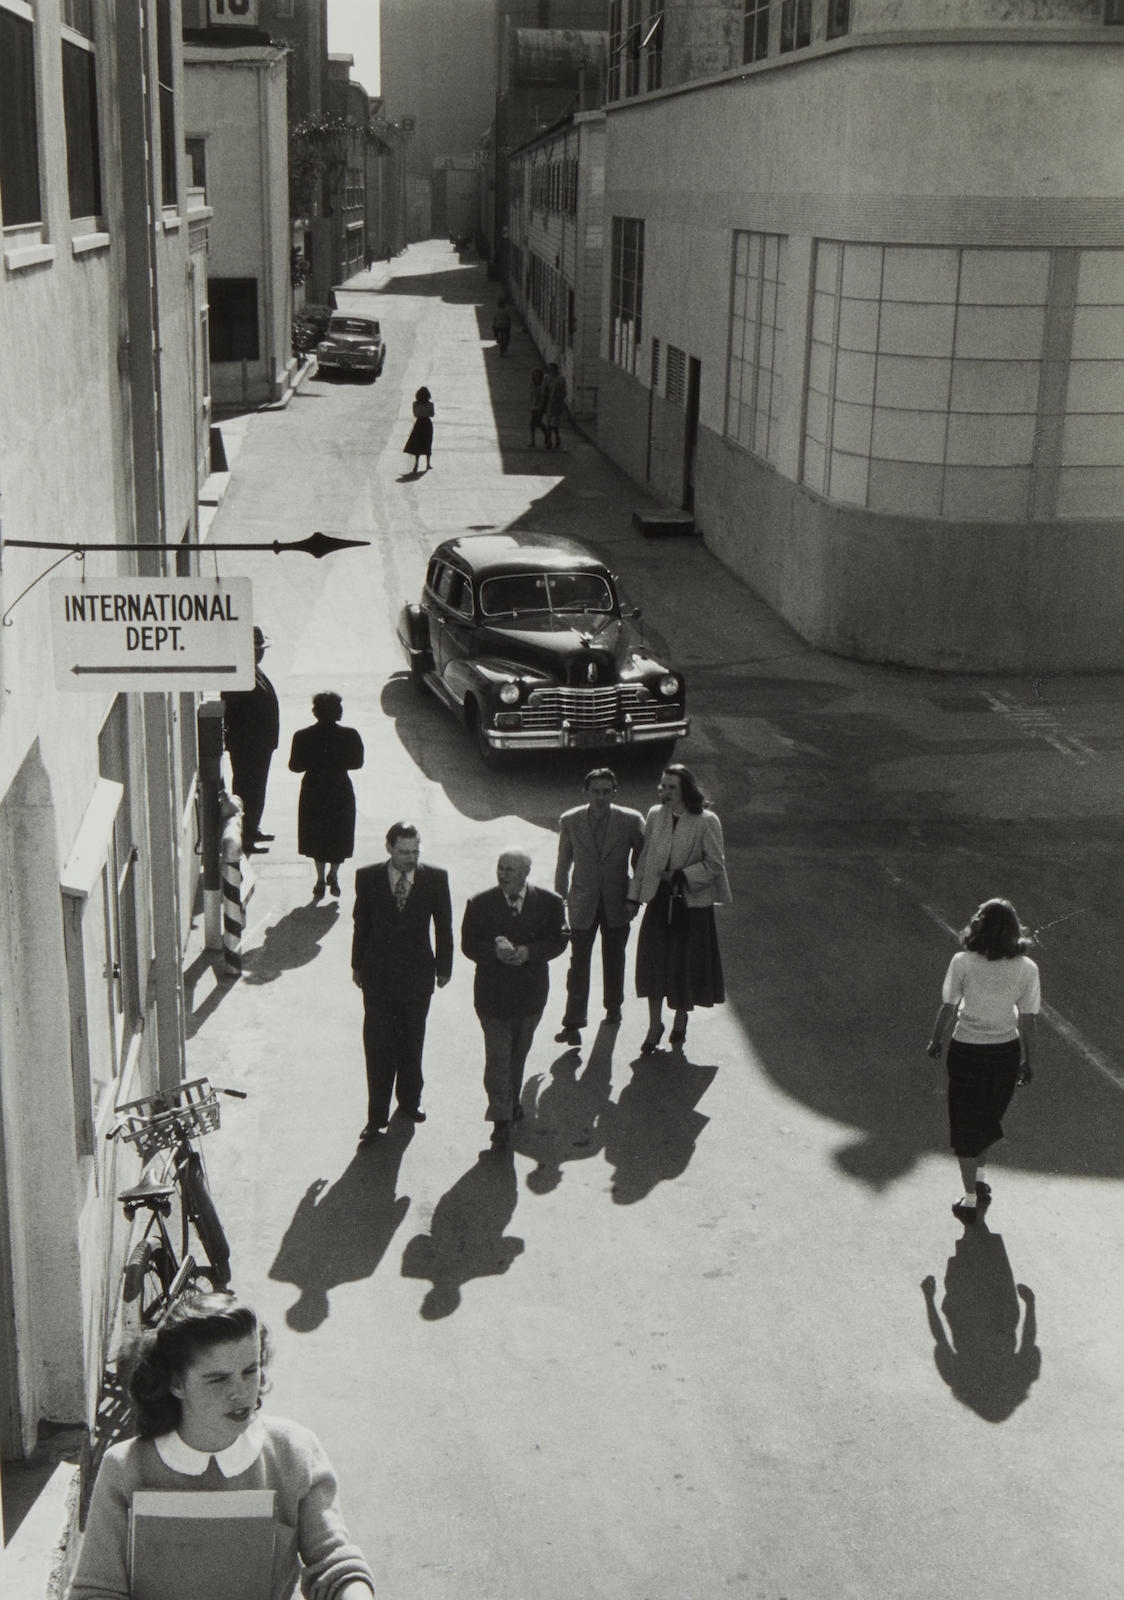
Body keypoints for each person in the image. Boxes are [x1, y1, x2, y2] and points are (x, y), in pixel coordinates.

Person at [66, 1290, 375, 1600]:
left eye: (250, 1371)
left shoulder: (293, 1451)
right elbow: (96, 1591)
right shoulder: (125, 1467)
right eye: (218, 1379)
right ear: (176, 1383)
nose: (240, 1392)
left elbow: (334, 1566)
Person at [925, 898, 1040, 1224]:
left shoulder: (962, 962)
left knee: (965, 1120)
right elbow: (1028, 1021)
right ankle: (980, 1179)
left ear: (979, 926)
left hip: (967, 1051)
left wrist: (935, 1040)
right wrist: (1029, 1061)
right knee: (989, 1117)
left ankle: (970, 1199)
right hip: (1005, 1053)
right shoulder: (1027, 968)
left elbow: (948, 1006)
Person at [351, 822, 453, 1141]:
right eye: (404, 851)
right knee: (378, 1046)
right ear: (389, 848)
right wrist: (357, 965)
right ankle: (376, 1117)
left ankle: (410, 1101)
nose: (410, 858)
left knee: (412, 1041)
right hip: (378, 977)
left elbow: (444, 926)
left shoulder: (435, 878)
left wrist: (444, 968)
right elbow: (361, 925)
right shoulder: (367, 877)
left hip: (417, 977)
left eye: (415, 851)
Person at [461, 850, 568, 1146]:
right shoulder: (479, 903)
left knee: (517, 1054)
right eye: (500, 868)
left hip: (530, 996)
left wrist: (530, 952)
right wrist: (493, 952)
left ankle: (510, 1102)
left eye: (510, 870)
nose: (503, 874)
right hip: (492, 997)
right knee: (498, 1058)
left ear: (525, 873)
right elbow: (468, 945)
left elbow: (560, 939)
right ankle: (501, 1117)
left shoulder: (550, 902)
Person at [626, 764, 731, 1053]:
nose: (666, 792)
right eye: (664, 786)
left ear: (686, 789)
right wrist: (633, 898)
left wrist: (682, 875)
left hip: (690, 903)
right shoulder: (655, 815)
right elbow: (646, 858)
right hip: (659, 899)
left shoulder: (706, 820)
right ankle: (654, 1025)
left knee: (683, 963)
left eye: (673, 787)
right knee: (653, 962)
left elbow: (715, 865)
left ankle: (681, 1018)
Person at [553, 767, 645, 1046]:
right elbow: (563, 862)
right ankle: (573, 1022)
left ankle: (613, 1006)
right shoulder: (570, 820)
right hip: (583, 902)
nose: (601, 797)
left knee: (615, 958)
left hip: (618, 903)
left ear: (614, 793)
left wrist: (634, 898)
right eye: (595, 791)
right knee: (578, 963)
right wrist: (562, 899)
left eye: (606, 792)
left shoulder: (631, 821)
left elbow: (641, 863)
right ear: (586, 792)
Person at [288, 692, 364, 900]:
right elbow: (357, 763)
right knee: (339, 833)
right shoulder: (350, 735)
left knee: (317, 834)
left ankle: (320, 878)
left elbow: (295, 766)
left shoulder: (302, 736)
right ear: (338, 712)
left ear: (315, 712)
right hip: (339, 787)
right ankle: (334, 873)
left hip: (313, 788)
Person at [222, 625, 279, 854]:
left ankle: (252, 828)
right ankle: (245, 837)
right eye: (258, 649)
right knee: (247, 790)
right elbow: (233, 711)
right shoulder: (240, 675)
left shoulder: (254, 671)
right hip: (248, 746)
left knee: (257, 789)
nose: (262, 653)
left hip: (260, 745)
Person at [403, 385, 434, 471]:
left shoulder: (415, 404)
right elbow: (432, 414)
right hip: (427, 423)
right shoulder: (430, 404)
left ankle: (416, 464)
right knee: (427, 443)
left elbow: (415, 414)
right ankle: (428, 464)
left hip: (419, 423)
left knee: (418, 444)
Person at [543, 362, 566, 449]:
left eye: (552, 369)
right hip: (548, 404)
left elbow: (564, 393)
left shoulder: (560, 379)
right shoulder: (547, 378)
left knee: (554, 424)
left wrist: (557, 397)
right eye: (549, 369)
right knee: (548, 424)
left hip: (556, 405)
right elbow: (544, 389)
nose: (551, 371)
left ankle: (556, 437)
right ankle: (549, 440)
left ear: (556, 370)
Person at [529, 367, 547, 446]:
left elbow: (543, 397)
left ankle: (545, 436)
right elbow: (532, 395)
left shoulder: (542, 386)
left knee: (535, 423)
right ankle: (534, 440)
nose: (536, 378)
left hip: (540, 407)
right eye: (535, 376)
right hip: (534, 406)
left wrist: (540, 407)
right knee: (534, 423)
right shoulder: (533, 385)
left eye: (538, 376)